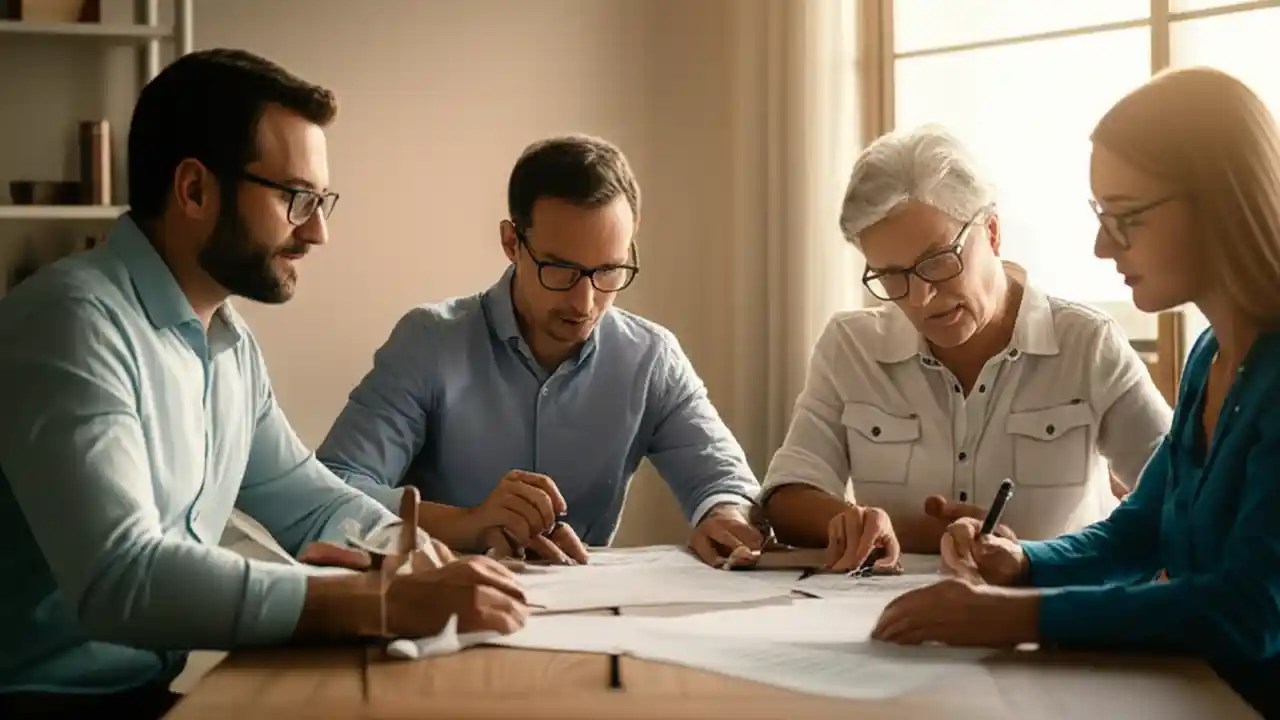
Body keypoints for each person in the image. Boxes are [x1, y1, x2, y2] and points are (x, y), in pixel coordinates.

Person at [0, 49, 525, 719]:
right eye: (296, 199)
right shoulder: (70, 322)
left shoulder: (227, 340)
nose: (319, 231)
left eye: (322, 200)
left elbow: (302, 498)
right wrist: (381, 603)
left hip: (150, 692)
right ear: (194, 190)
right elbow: (121, 578)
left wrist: (416, 554)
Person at [871, 67, 1280, 717]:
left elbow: (1250, 610)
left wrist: (1015, 616)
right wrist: (1023, 565)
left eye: (1126, 218)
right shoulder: (1209, 355)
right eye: (1100, 215)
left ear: (1218, 199)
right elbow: (1140, 530)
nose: (1098, 244)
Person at [316, 135, 763, 567]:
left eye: (609, 270)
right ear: (512, 243)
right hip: (444, 605)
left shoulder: (650, 358)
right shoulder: (429, 342)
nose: (584, 303)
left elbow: (727, 483)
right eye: (560, 269)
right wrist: (470, 524)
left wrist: (724, 516)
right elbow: (330, 490)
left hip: (587, 616)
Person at [760, 124, 1173, 572]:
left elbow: (1186, 500)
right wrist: (858, 523)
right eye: (892, 276)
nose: (919, 299)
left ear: (992, 232)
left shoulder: (1088, 345)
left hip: (1049, 621)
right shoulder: (851, 347)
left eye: (937, 262)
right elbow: (786, 494)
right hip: (887, 624)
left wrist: (1030, 558)